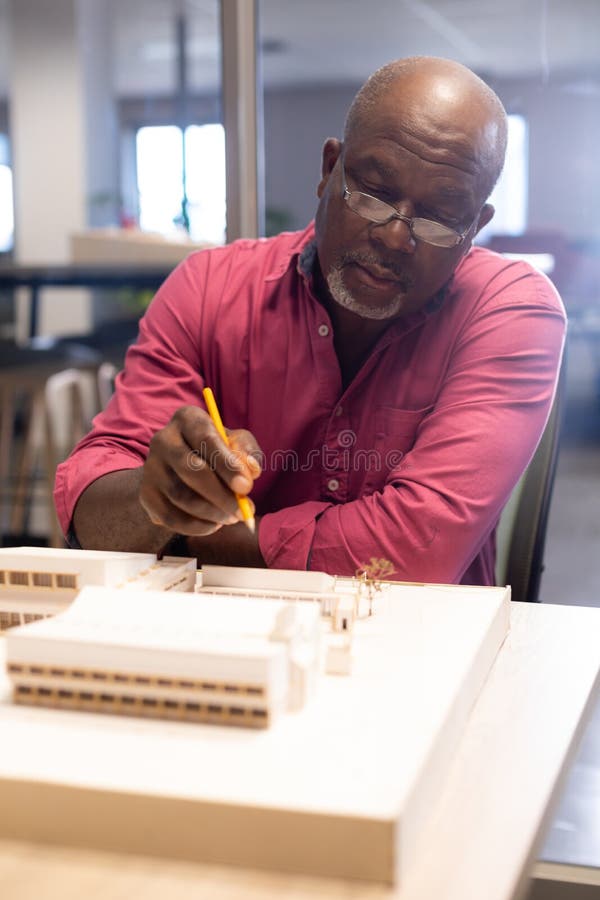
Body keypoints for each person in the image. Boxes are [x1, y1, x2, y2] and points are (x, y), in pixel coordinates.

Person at [55, 56, 566, 586]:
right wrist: (153, 495)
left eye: (440, 217)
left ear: (476, 226)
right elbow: (92, 515)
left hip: (413, 632)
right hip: (216, 631)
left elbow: (418, 552)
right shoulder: (209, 290)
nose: (395, 236)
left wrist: (191, 541)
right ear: (329, 171)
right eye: (373, 192)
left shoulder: (509, 309)